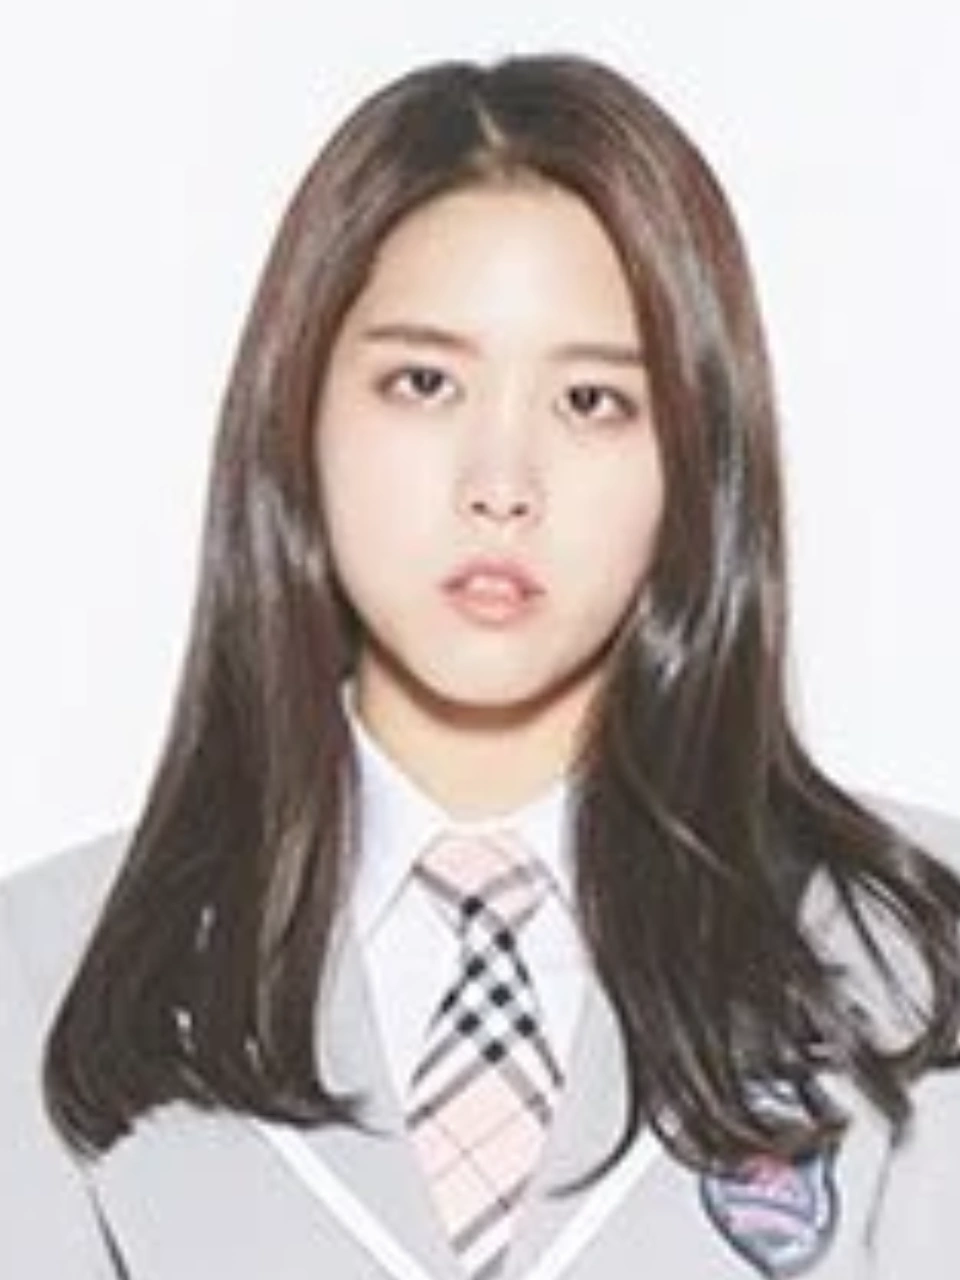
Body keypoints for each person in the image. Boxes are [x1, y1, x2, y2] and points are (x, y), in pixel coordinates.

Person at [1, 52, 958, 1280]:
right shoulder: (46, 974)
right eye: (425, 382)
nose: (501, 482)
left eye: (593, 401)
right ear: (299, 416)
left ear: (696, 455)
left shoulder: (917, 960)